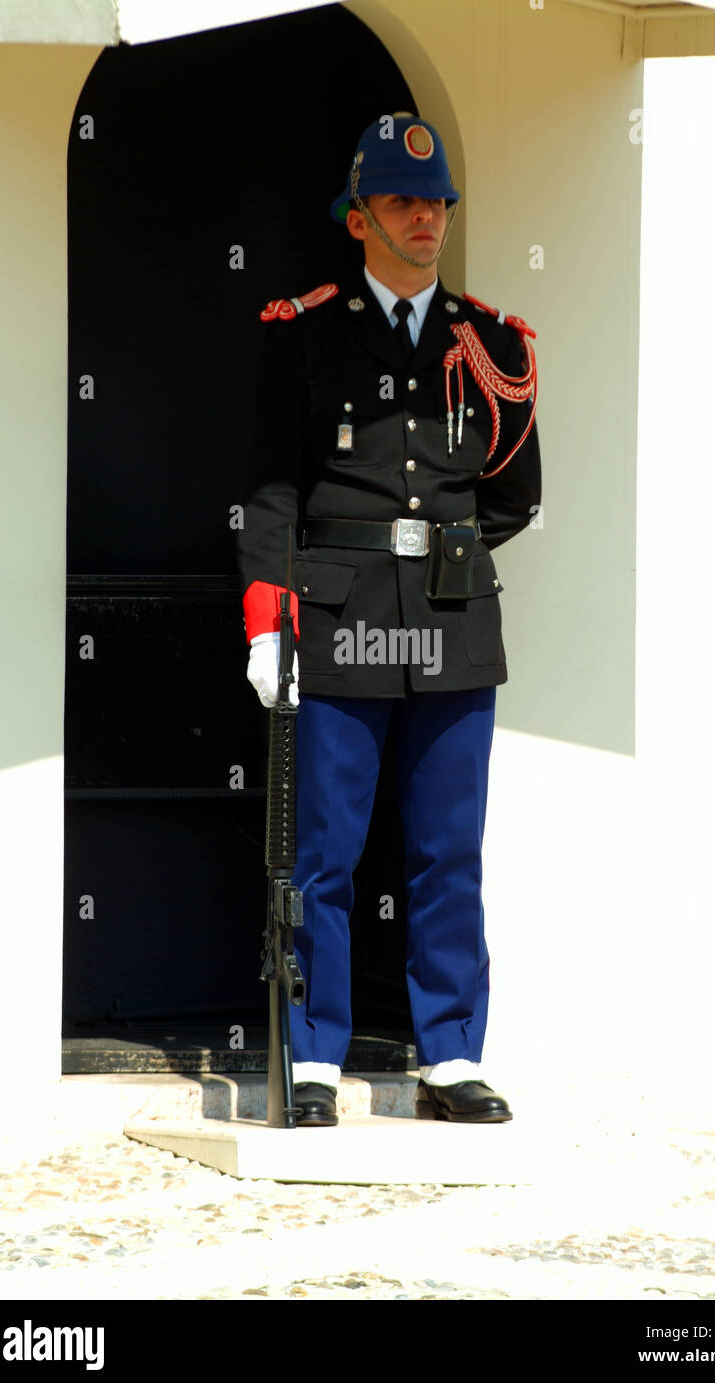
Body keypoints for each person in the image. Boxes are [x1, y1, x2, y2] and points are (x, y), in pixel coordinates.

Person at [236, 113, 541, 1125]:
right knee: (327, 848)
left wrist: (433, 558)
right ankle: (315, 1055)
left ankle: (449, 1053)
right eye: (406, 202)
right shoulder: (304, 332)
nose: (427, 219)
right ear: (358, 217)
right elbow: (274, 489)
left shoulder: (491, 342)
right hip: (338, 618)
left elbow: (514, 497)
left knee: (448, 849)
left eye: (438, 202)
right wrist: (269, 622)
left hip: (452, 622)